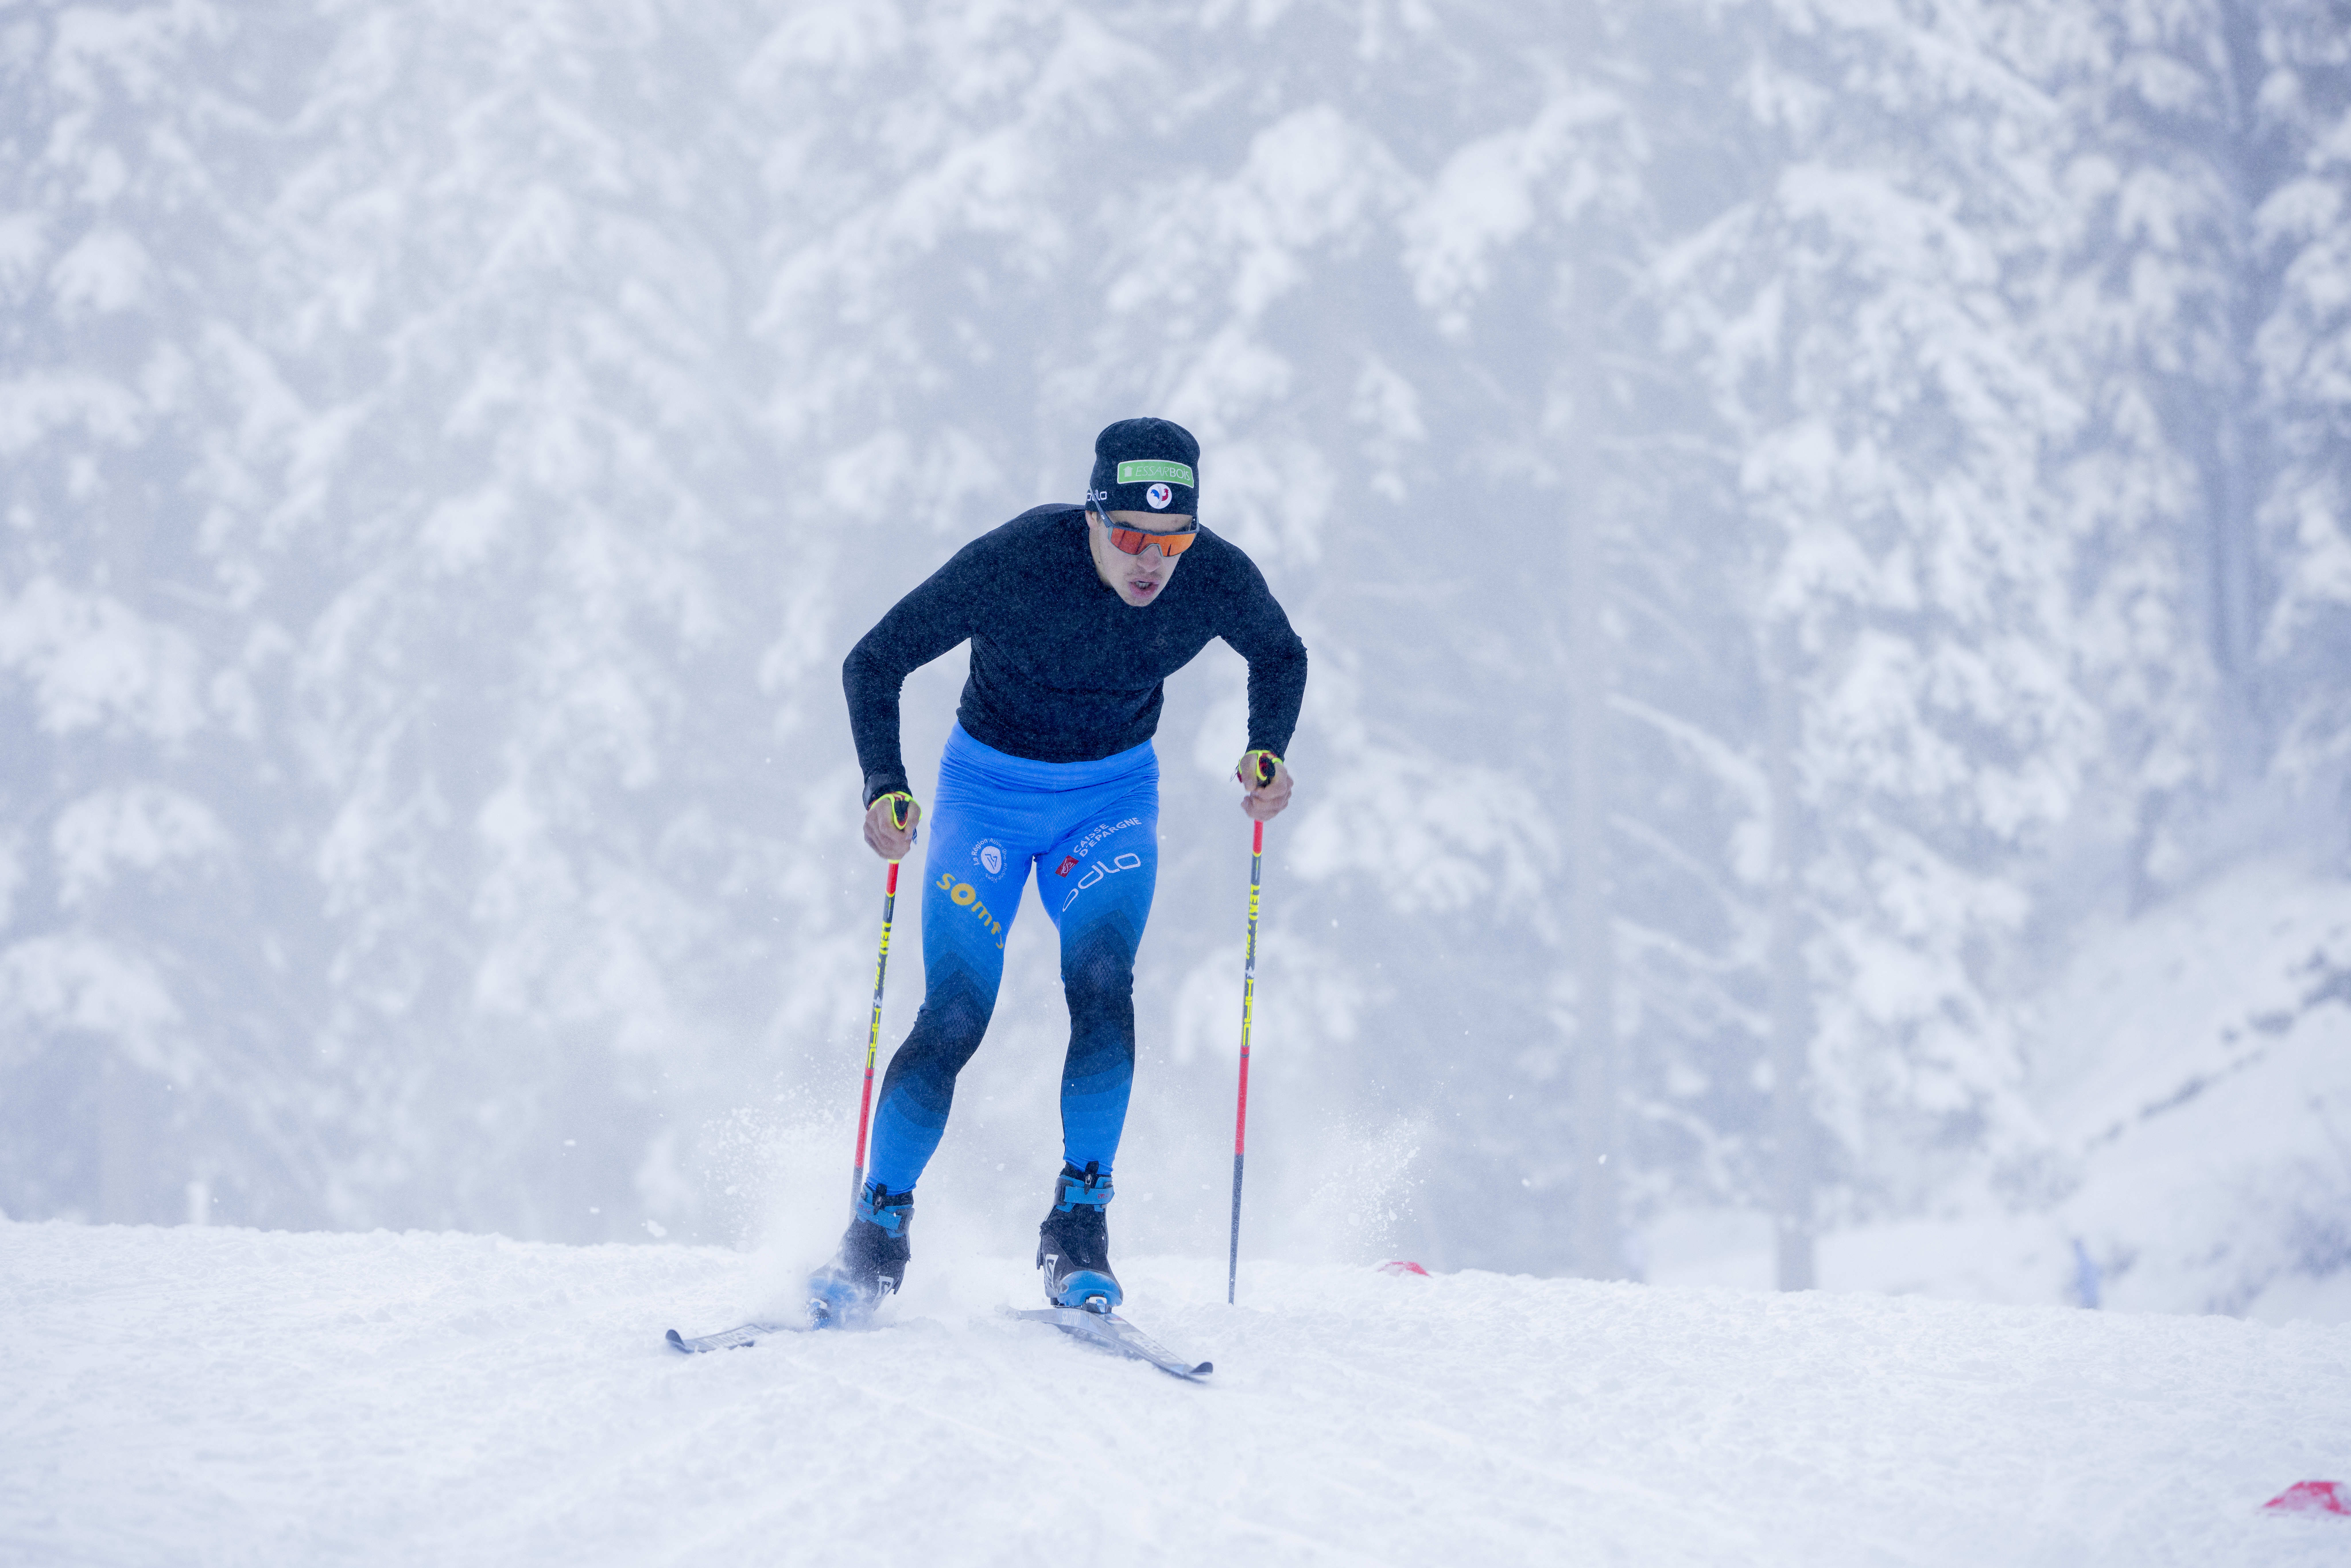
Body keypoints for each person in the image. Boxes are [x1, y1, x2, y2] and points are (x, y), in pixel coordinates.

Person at [817, 416, 1306, 1318]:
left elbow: (1280, 653)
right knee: (958, 1011)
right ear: (1090, 518)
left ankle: (1080, 1226)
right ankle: (876, 1231)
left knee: (1102, 985)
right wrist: (885, 787)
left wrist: (1265, 751)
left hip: (1110, 803)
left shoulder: (1215, 578)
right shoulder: (1020, 559)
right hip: (987, 797)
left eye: (1172, 540)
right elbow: (874, 660)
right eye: (1127, 536)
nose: (1150, 560)